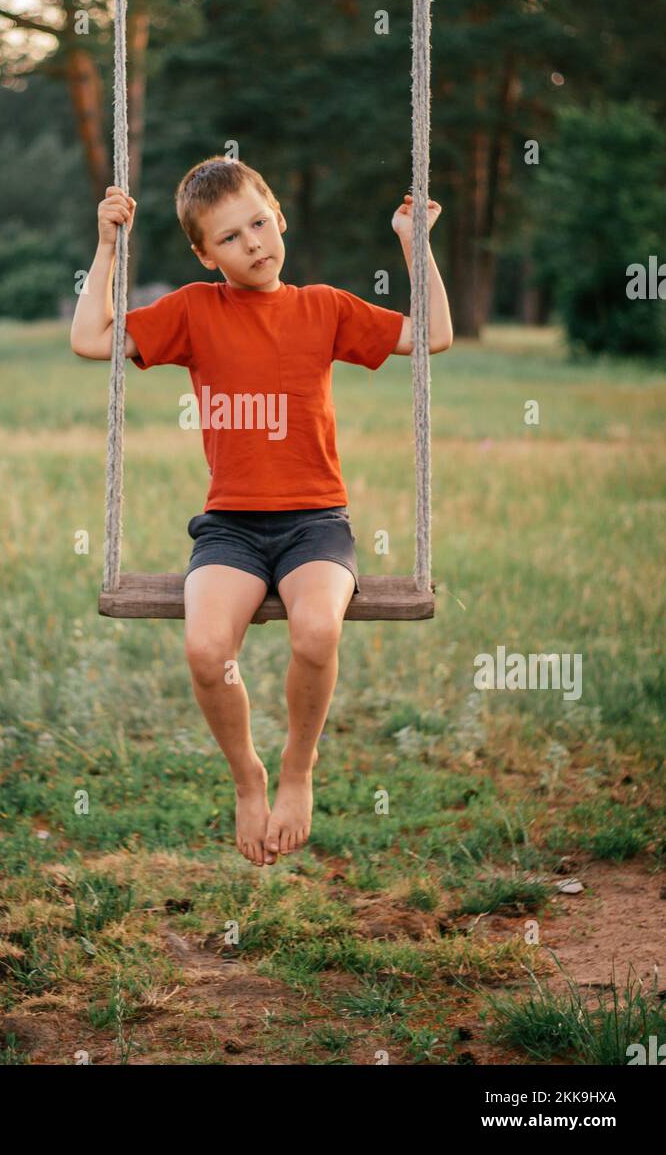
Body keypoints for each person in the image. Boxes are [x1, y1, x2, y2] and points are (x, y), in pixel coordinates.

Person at [71, 157, 453, 867]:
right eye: (228, 238)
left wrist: (413, 242)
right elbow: (91, 340)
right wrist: (106, 248)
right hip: (232, 530)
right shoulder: (192, 311)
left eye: (257, 223)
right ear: (204, 255)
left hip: (318, 524)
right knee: (207, 652)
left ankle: (298, 770)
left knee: (315, 631)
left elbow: (430, 336)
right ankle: (248, 777)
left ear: (279, 216)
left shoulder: (325, 308)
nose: (251, 244)